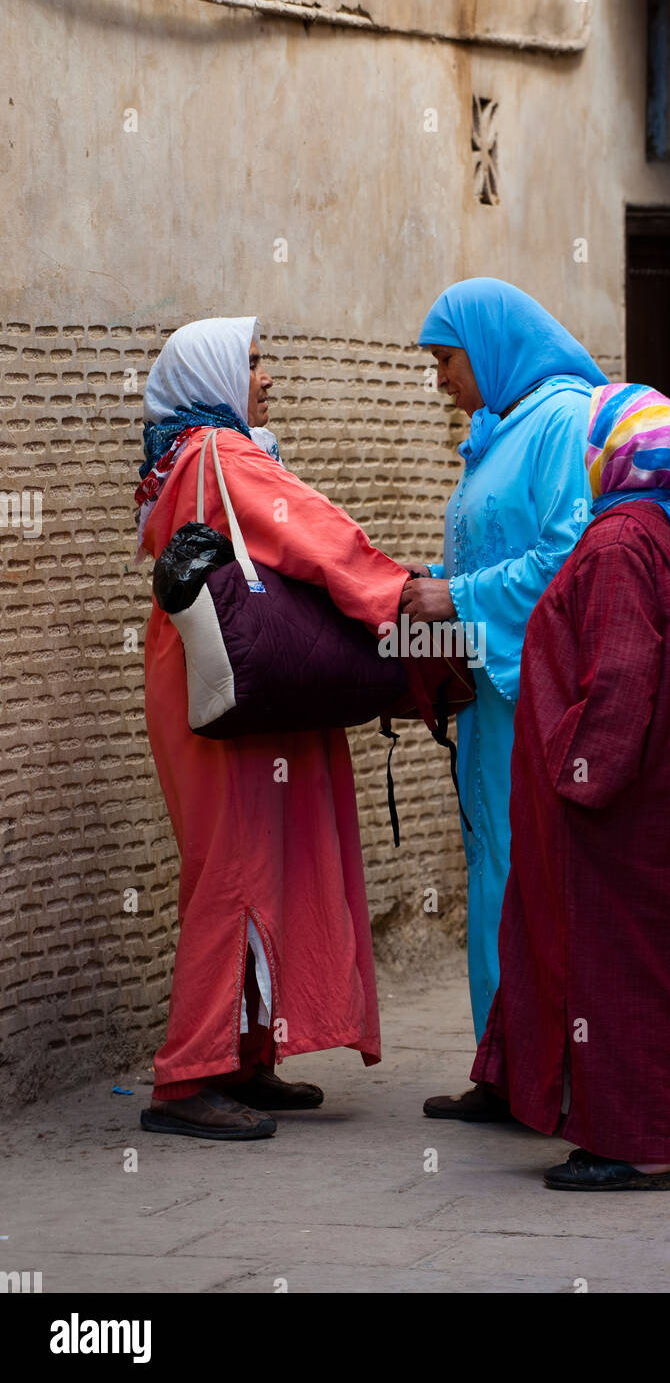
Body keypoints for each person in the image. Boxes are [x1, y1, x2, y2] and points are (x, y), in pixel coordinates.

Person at [401, 281, 670, 1120]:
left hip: (543, 703)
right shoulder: (492, 430)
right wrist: (436, 588)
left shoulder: (560, 422)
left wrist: (458, 600)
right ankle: (511, 1066)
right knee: (503, 873)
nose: (439, 380)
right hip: (495, 703)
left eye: (446, 360)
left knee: (552, 878)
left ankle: (571, 1075)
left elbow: (575, 556)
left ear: (492, 347)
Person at [134, 316, 409, 1140]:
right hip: (235, 701)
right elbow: (311, 536)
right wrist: (398, 596)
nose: (266, 379)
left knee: (250, 867)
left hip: (217, 690)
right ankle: (187, 1081)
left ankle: (247, 1060)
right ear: (214, 375)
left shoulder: (179, 457)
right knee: (234, 875)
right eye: (252, 365)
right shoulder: (222, 454)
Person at [470, 383, 670, 1188]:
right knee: (644, 957)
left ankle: (642, 1146)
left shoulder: (619, 540)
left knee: (617, 963)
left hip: (622, 799)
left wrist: (574, 776)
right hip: (663, 787)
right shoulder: (667, 528)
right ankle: (635, 1131)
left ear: (609, 454)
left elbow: (621, 676)